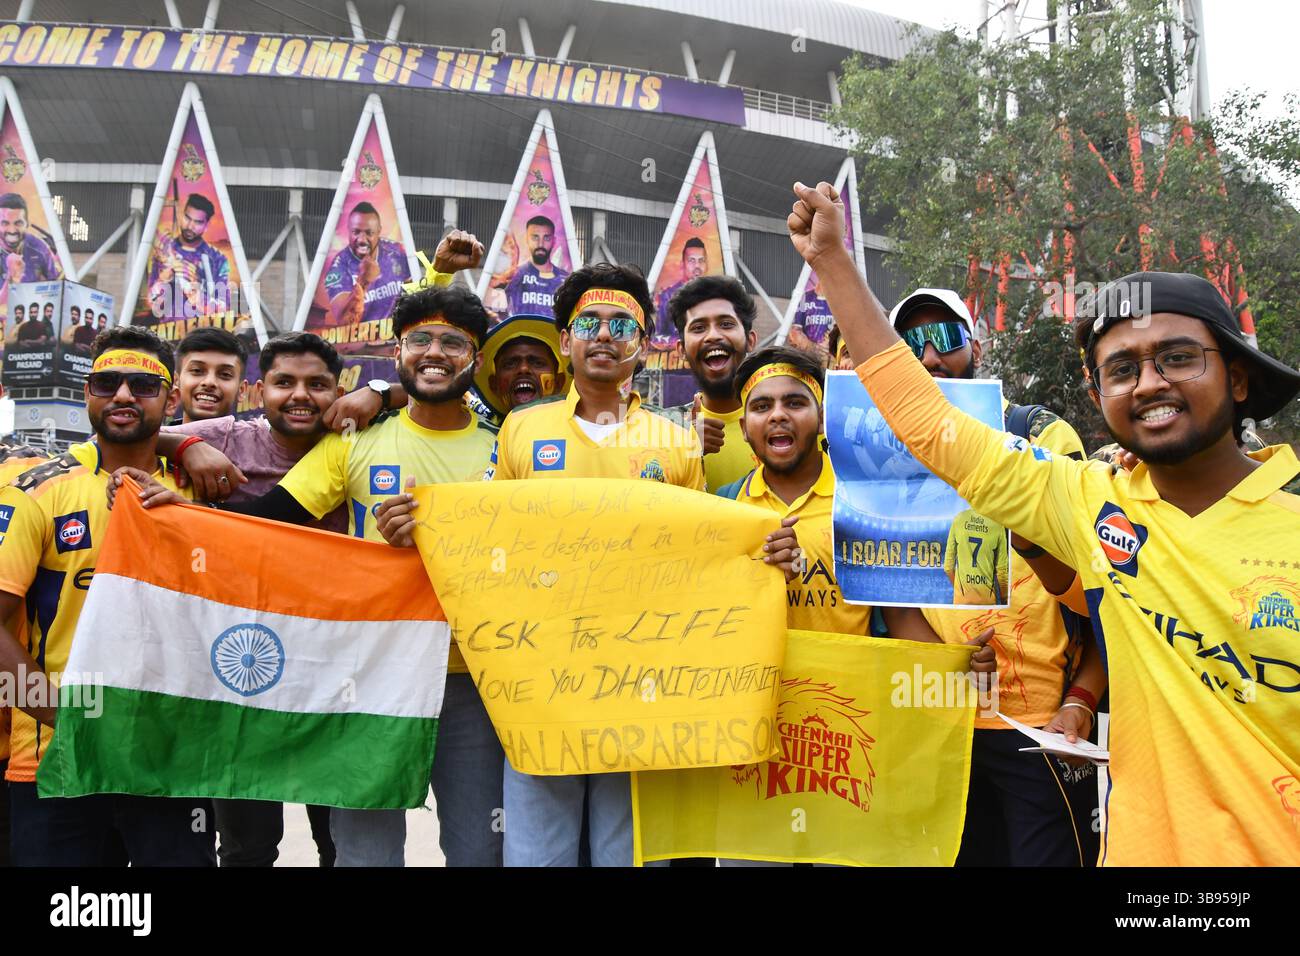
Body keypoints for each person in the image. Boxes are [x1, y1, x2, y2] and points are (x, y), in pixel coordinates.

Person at [789, 177, 1300, 866]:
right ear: (1101, 396)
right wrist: (833, 265)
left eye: (1178, 357)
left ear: (1238, 378)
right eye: (1122, 369)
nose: (1149, 383)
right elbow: (928, 422)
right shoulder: (1087, 504)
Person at [390, 262, 797, 867]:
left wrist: (766, 555)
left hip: (642, 689)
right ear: (566, 341)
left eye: (621, 325)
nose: (604, 336)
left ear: (644, 345)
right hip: (538, 686)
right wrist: (419, 528)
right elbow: (487, 537)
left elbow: (705, 559)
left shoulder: (677, 444)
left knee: (628, 853)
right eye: (588, 323)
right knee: (538, 856)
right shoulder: (522, 431)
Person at [126, 284, 503, 868]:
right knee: (363, 854)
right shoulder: (350, 444)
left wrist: (452, 537)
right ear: (396, 353)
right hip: (370, 676)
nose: (435, 352)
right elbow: (266, 527)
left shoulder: (506, 450)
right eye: (420, 340)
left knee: (481, 851)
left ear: (474, 359)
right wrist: (180, 516)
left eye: (453, 342)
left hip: (470, 679)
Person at [888, 287, 1105, 865]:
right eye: (911, 345)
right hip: (944, 723)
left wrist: (1082, 699)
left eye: (944, 340)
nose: (930, 359)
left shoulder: (1042, 436)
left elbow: (1102, 589)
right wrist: (944, 666)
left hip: (1041, 729)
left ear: (976, 347)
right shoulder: (882, 456)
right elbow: (888, 588)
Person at [129, 332, 348, 867]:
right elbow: (133, 428)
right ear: (258, 390)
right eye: (284, 383)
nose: (301, 395)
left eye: (317, 385)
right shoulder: (225, 437)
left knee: (339, 835)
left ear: (340, 392)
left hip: (334, 667)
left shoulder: (358, 442)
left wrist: (384, 392)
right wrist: (184, 443)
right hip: (239, 669)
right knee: (249, 845)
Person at [0, 327, 214, 866]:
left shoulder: (204, 490)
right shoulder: (36, 487)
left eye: (142, 384)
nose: (122, 395)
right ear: (87, 393)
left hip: (171, 757)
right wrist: (57, 714)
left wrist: (191, 449)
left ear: (171, 398)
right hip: (58, 757)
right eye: (106, 382)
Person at [664, 275, 761, 490]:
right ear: (681, 349)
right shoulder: (665, 431)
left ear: (750, 340)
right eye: (698, 328)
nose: (713, 336)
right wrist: (685, 449)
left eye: (726, 324)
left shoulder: (783, 426)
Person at [323, 201, 411, 331]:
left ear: (379, 231)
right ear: (348, 230)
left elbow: (415, 297)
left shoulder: (398, 252)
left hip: (395, 343)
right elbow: (344, 325)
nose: (362, 239)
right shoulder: (339, 268)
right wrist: (363, 282)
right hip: (359, 347)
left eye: (369, 233)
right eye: (356, 232)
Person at [147, 193, 231, 320]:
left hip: (202, 334)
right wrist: (163, 279)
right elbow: (152, 304)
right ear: (182, 215)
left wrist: (196, 294)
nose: (190, 226)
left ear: (206, 225)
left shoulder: (218, 259)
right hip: (167, 333)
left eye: (198, 222)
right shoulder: (164, 252)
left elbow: (224, 309)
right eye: (187, 218)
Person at [174, 327, 247, 422]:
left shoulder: (258, 436)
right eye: (197, 371)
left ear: (241, 390)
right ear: (176, 382)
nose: (209, 382)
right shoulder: (154, 437)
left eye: (225, 374)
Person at [503, 216, 568, 320]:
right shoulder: (514, 275)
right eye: (535, 237)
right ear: (526, 239)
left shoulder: (566, 280)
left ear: (554, 241)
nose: (540, 244)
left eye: (546, 238)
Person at [652, 237, 708, 348]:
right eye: (692, 260)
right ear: (682, 264)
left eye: (701, 261)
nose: (697, 266)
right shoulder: (667, 296)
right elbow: (658, 337)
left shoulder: (713, 296)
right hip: (677, 360)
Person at [0, 193, 62, 292]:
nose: (12, 230)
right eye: (5, 223)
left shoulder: (39, 247)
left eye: (18, 223)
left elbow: (56, 286)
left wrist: (60, 262)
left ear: (27, 224)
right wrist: (12, 278)